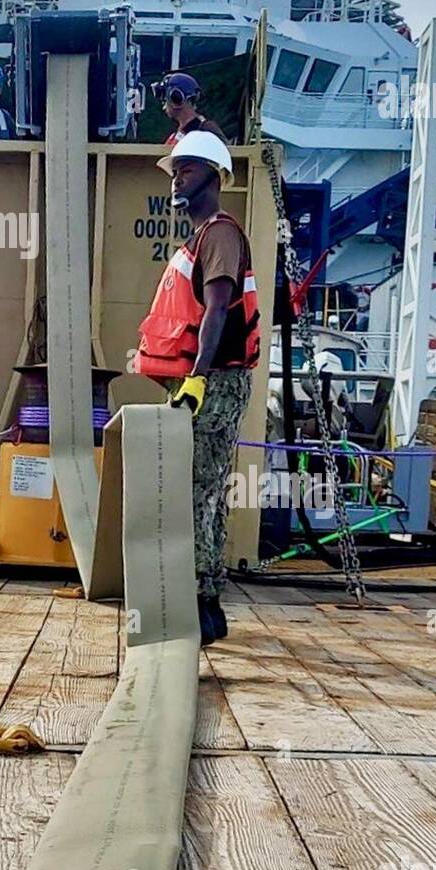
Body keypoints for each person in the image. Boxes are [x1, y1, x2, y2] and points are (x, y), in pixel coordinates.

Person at [134, 132, 260, 647]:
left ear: (214, 175)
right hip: (202, 382)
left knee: (195, 493)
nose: (177, 177)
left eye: (186, 169)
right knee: (199, 492)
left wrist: (197, 379)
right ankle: (205, 609)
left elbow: (216, 309)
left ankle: (198, 606)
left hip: (214, 382)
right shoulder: (199, 237)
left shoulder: (220, 234)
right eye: (174, 170)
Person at [153, 72, 228, 146]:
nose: (163, 104)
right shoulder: (175, 136)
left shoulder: (206, 129)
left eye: (165, 99)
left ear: (176, 98)